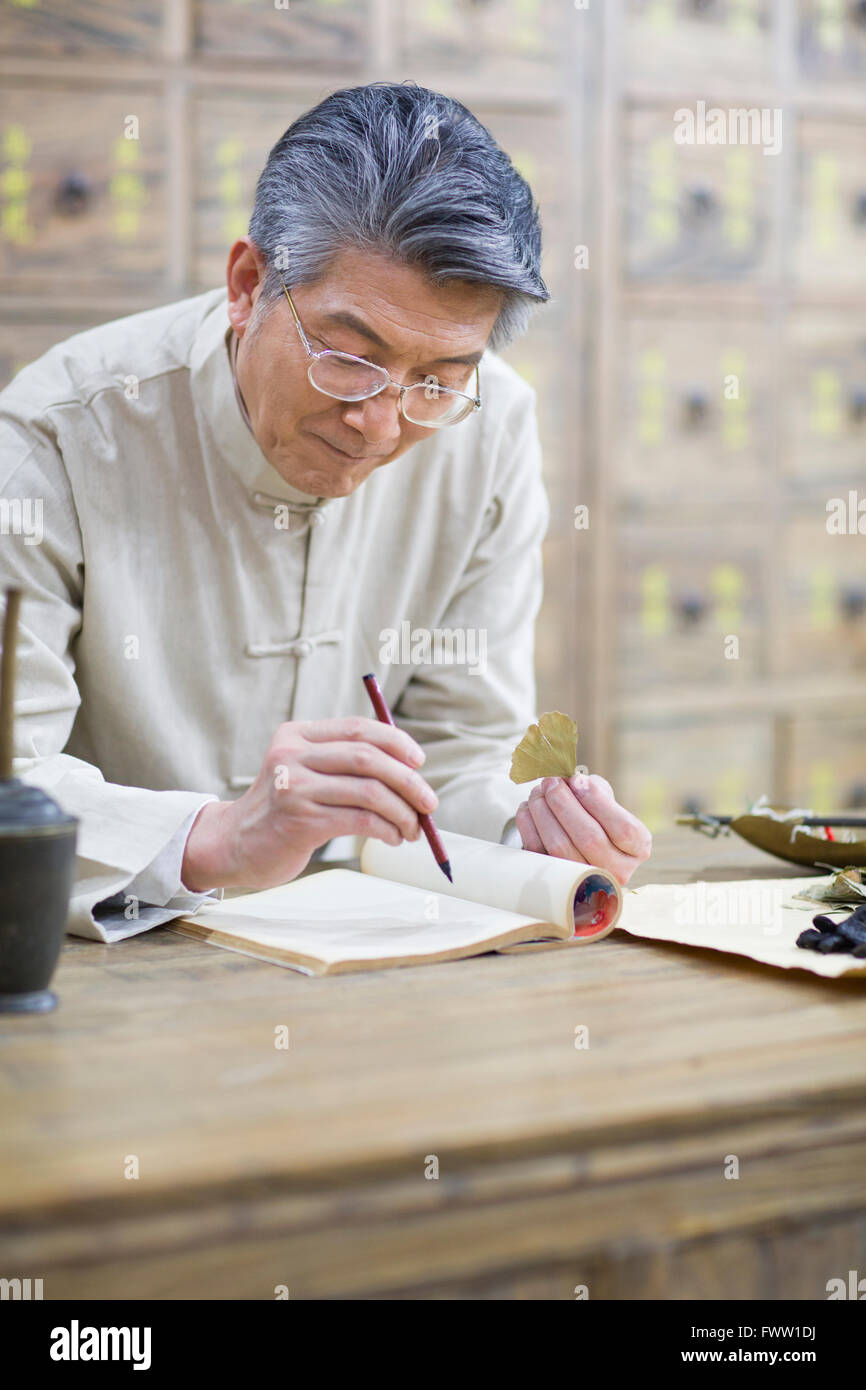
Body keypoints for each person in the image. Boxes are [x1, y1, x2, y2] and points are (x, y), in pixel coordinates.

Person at [0, 81, 650, 941]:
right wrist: (221, 838)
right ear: (247, 285)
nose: (380, 424)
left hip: (369, 961)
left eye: (438, 380)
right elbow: (14, 782)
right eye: (349, 358)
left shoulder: (492, 428)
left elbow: (459, 753)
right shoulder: (56, 435)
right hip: (112, 975)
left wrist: (526, 829)